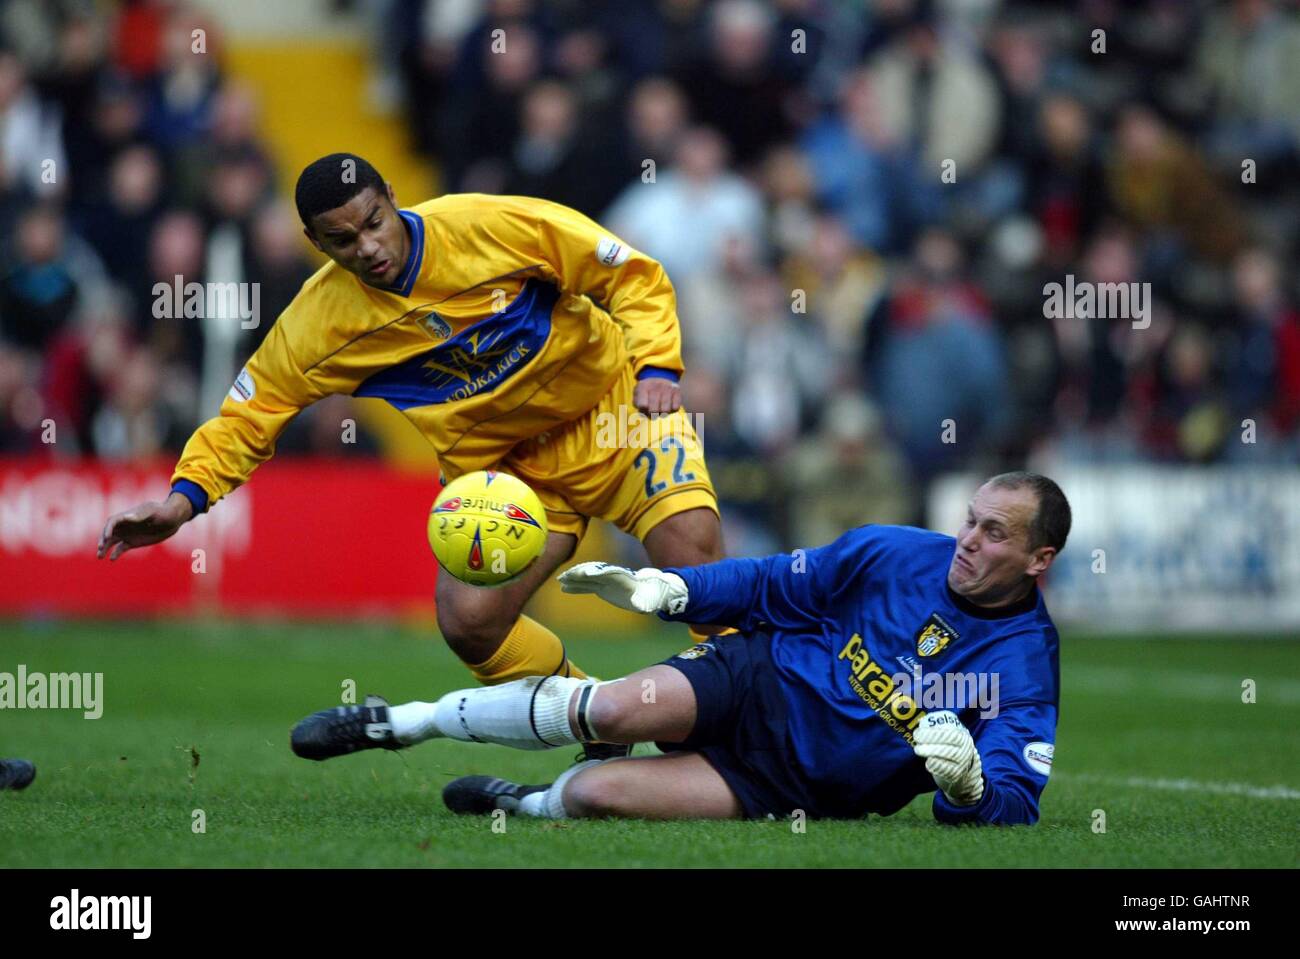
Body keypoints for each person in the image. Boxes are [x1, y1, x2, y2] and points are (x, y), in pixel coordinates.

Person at [97, 153, 725, 761]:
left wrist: (657, 365)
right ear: (318, 246)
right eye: (342, 241)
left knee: (689, 547)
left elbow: (627, 272)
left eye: (373, 222)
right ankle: (595, 720)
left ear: (394, 198)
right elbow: (247, 419)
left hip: (614, 412)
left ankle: (732, 721)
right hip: (507, 474)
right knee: (469, 620)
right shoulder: (318, 325)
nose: (367, 247)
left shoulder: (486, 224)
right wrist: (183, 502)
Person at [291, 472, 1069, 825]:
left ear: (1040, 559)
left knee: (596, 798)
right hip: (757, 677)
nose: (966, 541)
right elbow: (774, 583)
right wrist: (672, 592)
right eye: (970, 518)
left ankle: (517, 804)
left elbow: (1013, 801)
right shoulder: (897, 551)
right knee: (615, 710)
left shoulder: (1024, 665)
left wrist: (967, 792)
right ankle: (403, 721)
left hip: (795, 786)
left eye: (993, 533)